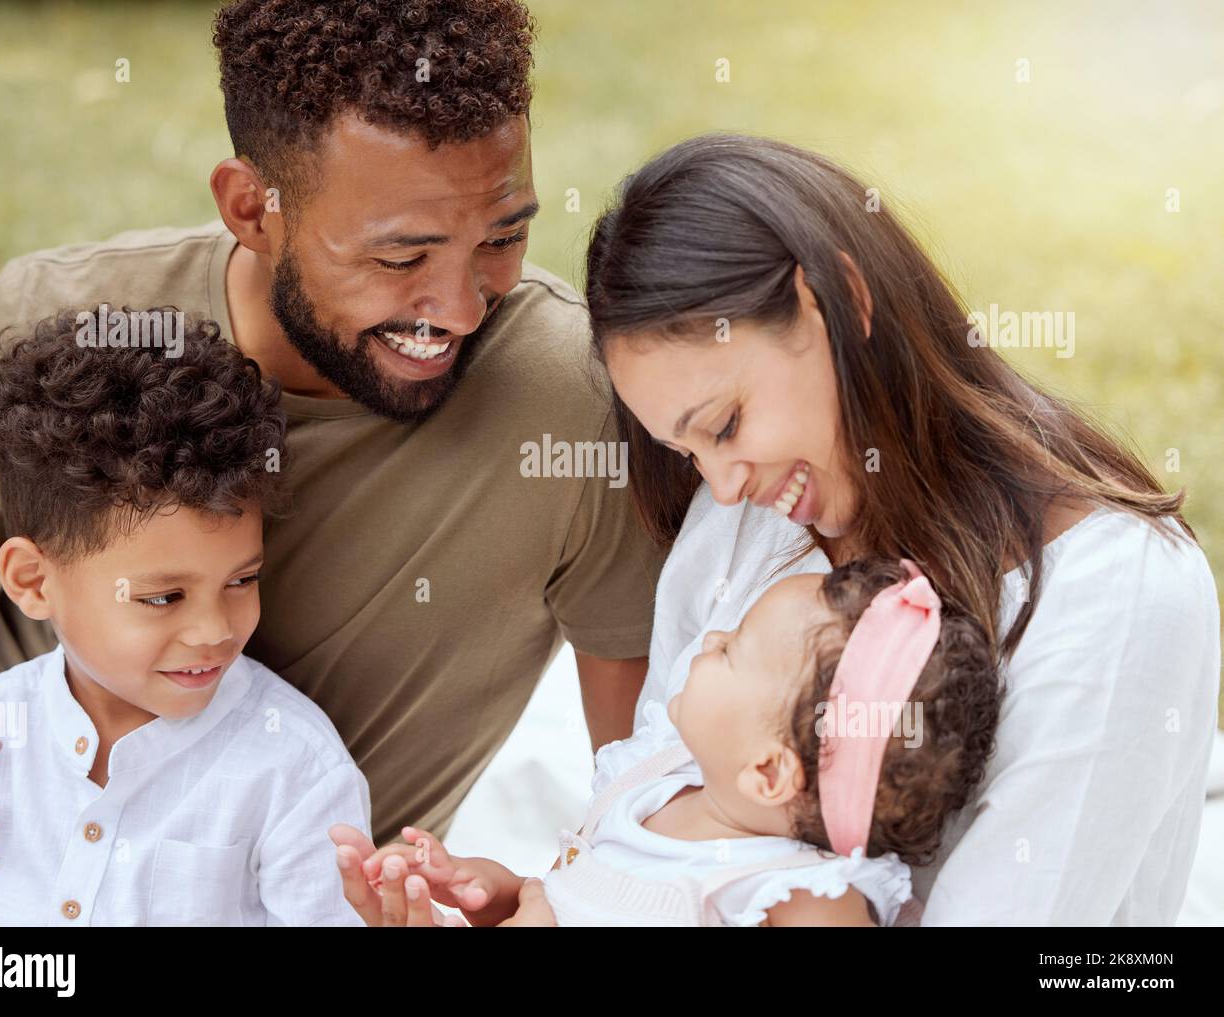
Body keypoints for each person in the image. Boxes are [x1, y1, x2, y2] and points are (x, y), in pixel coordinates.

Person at [0, 0, 666, 904]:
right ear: (251, 207)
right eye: (401, 257)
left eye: (504, 236)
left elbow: (644, 786)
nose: (464, 307)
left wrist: (555, 903)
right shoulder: (49, 325)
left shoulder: (578, 410)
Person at [495, 132, 1218, 925]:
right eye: (685, 449)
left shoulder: (1117, 597)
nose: (723, 487)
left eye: (727, 422)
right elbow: (679, 817)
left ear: (838, 301)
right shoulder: (744, 526)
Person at [0, 308, 370, 925]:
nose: (215, 632)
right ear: (31, 581)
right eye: (162, 598)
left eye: (242, 580)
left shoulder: (295, 769)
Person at [352, 558, 1005, 926]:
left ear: (769, 771)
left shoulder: (799, 893)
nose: (710, 640)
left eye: (733, 647)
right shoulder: (651, 784)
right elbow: (579, 904)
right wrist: (502, 893)